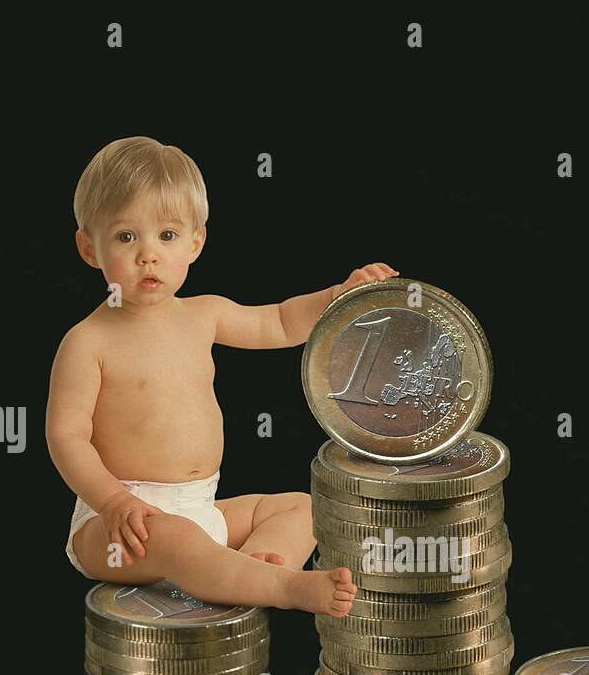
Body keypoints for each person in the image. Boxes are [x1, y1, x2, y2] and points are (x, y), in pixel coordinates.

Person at [47, 135, 398, 615]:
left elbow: (278, 322)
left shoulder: (203, 314)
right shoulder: (88, 341)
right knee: (179, 542)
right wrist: (110, 502)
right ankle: (283, 588)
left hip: (203, 506)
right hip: (118, 523)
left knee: (304, 506)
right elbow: (66, 436)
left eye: (166, 236)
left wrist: (339, 293)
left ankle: (255, 563)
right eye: (126, 237)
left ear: (195, 242)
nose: (148, 254)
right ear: (90, 248)